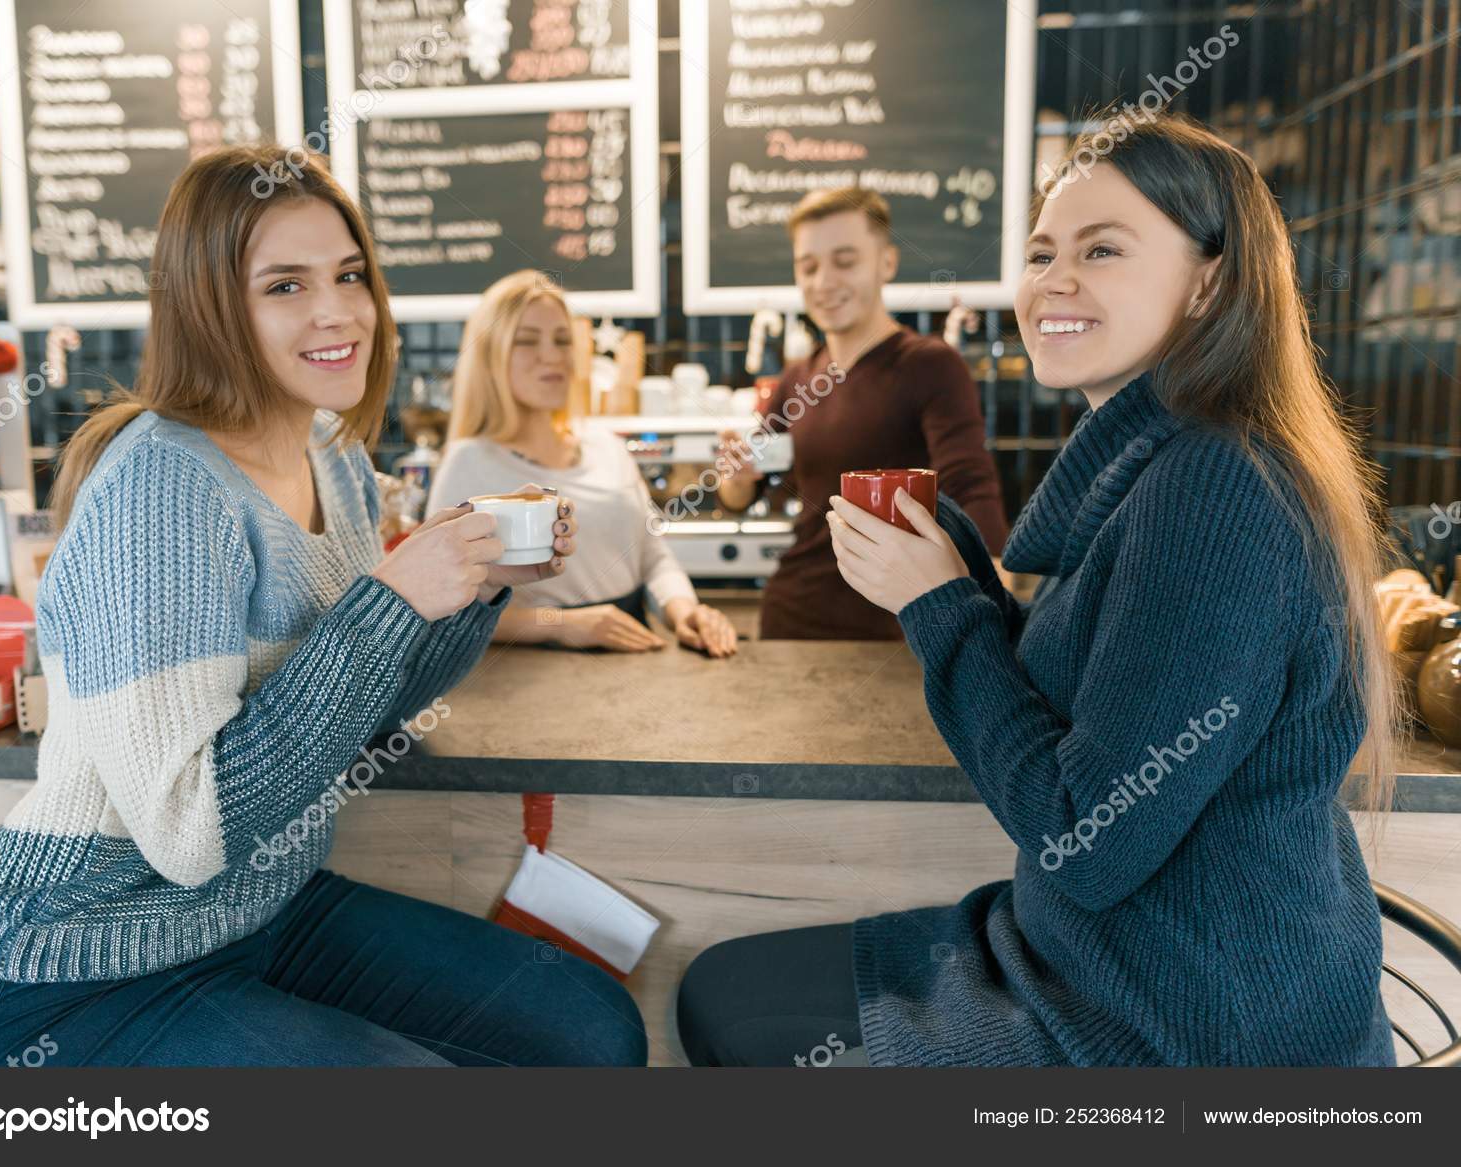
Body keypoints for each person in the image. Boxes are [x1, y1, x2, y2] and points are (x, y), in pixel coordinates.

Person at [677, 115, 1403, 1067]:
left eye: (1102, 250)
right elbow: (1099, 701)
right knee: (721, 992)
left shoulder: (1211, 486)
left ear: (1211, 281)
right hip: (1101, 962)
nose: (1053, 281)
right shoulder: (1169, 463)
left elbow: (1086, 837)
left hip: (1184, 1027)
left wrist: (939, 607)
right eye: (1040, 252)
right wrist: (959, 577)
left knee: (727, 1006)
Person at [0, 146, 647, 1068]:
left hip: (257, 906)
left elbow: (369, 711)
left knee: (591, 1026)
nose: (338, 310)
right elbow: (192, 832)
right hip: (88, 968)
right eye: (284, 285)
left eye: (349, 274)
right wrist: (390, 599)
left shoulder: (334, 455)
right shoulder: (166, 488)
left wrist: (473, 585)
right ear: (210, 307)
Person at [716, 187, 1008, 640]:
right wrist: (735, 478)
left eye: (845, 261)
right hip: (792, 619)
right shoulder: (797, 379)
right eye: (808, 266)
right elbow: (742, 495)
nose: (823, 282)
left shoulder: (929, 365)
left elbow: (971, 484)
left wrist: (996, 593)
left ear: (887, 263)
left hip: (897, 627)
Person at [426, 269, 738, 658]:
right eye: (527, 341)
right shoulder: (469, 463)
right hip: (532, 673)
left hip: (632, 652)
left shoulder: (605, 446)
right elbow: (442, 608)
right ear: (490, 356)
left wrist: (684, 611)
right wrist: (564, 623)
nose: (551, 356)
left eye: (562, 340)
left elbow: (652, 557)